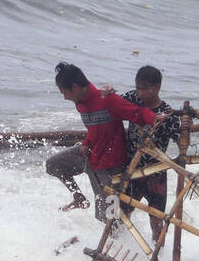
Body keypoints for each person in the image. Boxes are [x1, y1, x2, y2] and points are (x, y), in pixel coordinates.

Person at [45, 61, 158, 224]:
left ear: (75, 87)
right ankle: (78, 197)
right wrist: (86, 142)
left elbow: (137, 113)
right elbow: (95, 129)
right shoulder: (80, 104)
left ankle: (116, 245)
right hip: (90, 155)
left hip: (110, 167)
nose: (65, 97)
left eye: (65, 92)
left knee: (108, 218)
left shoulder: (107, 99)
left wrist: (154, 118)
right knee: (53, 165)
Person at [104, 65, 191, 243]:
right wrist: (108, 93)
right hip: (131, 171)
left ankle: (157, 256)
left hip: (155, 173)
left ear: (157, 88)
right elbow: (112, 105)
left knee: (157, 221)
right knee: (120, 215)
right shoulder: (132, 98)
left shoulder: (168, 115)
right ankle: (112, 248)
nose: (140, 92)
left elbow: (183, 144)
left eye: (144, 89)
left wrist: (187, 130)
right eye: (138, 87)